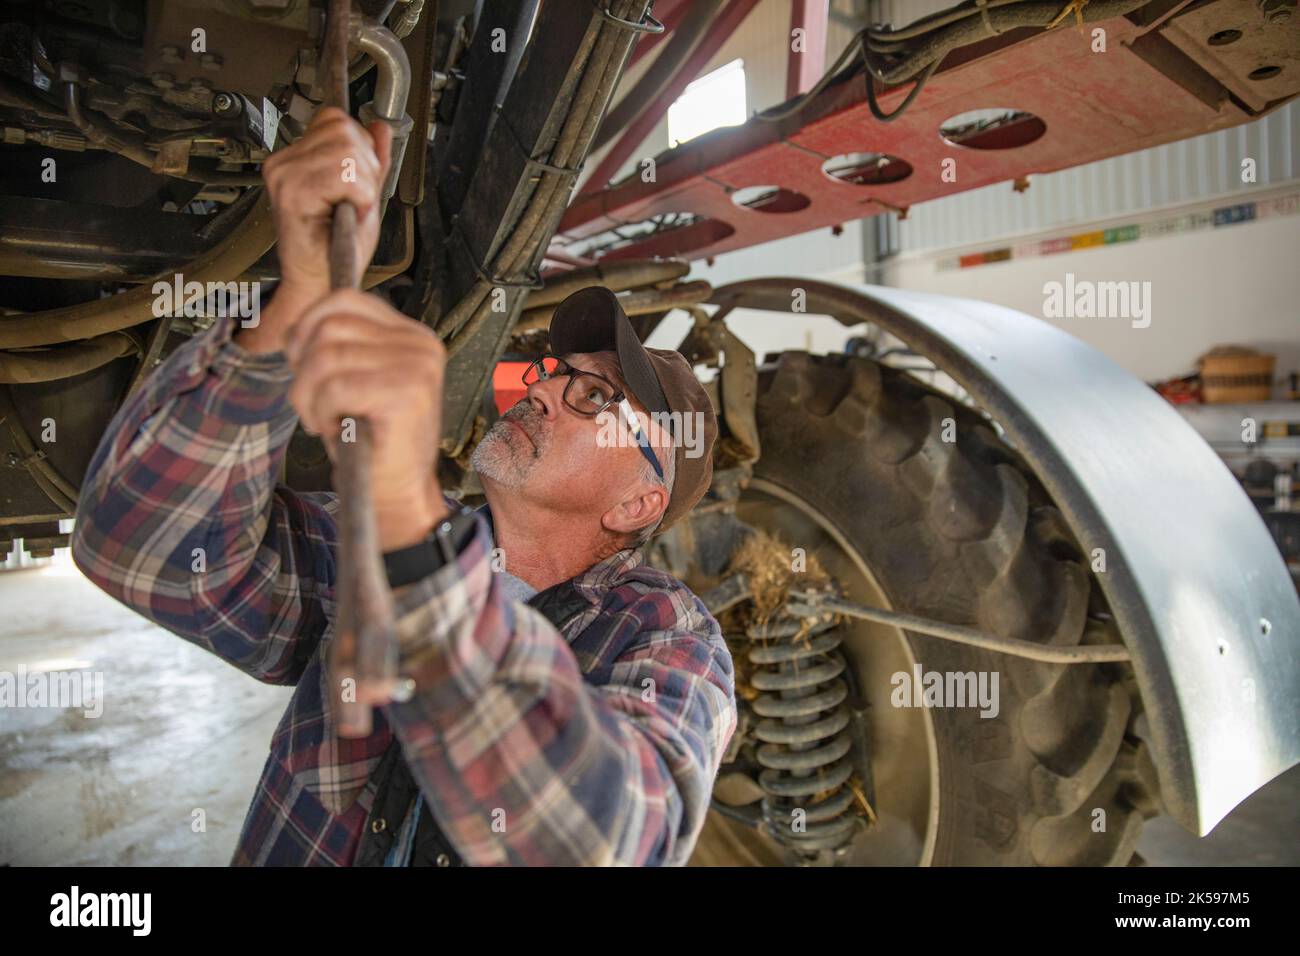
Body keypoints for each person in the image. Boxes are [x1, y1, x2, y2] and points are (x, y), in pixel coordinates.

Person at [70, 107, 737, 866]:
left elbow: (613, 840)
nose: (542, 391)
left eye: (594, 398)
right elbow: (136, 546)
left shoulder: (671, 637)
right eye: (556, 374)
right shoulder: (359, 544)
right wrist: (295, 305)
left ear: (637, 504)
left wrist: (413, 525)